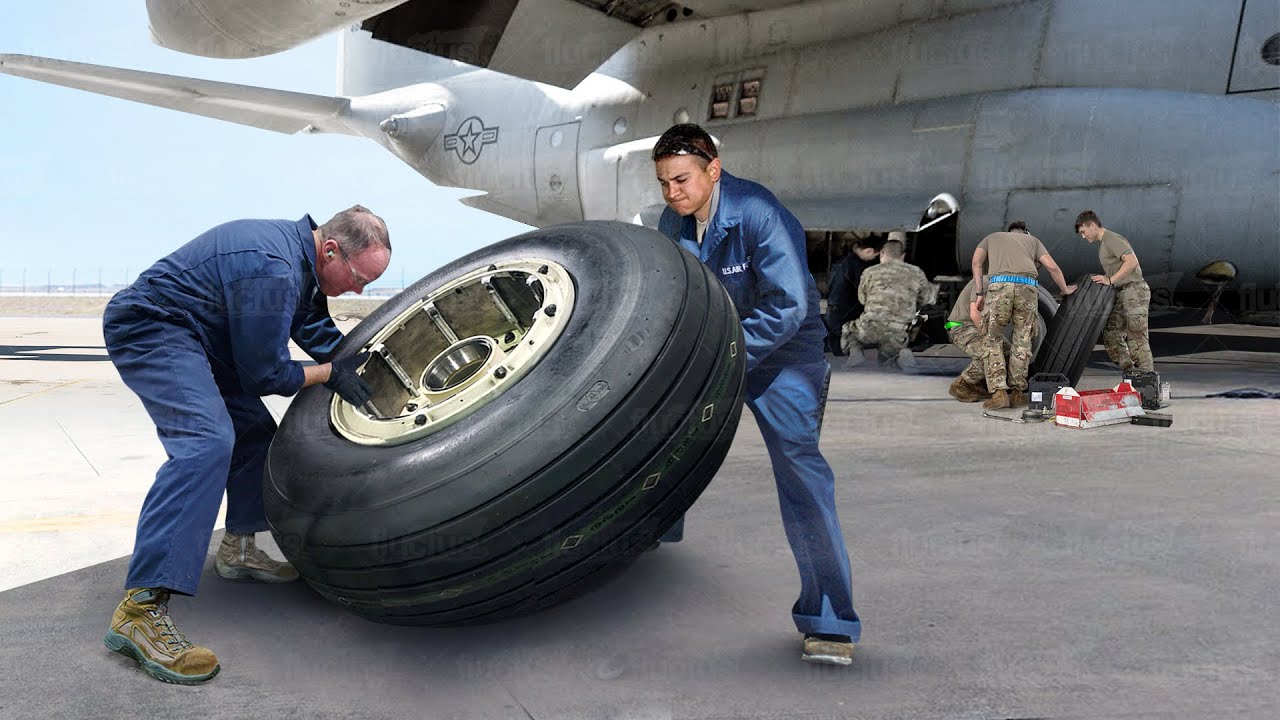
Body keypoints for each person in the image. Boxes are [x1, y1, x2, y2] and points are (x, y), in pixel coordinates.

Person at [101, 206, 391, 684]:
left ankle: (238, 547)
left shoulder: (301, 262)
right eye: (359, 278)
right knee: (206, 443)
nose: (359, 291)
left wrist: (364, 370)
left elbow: (314, 329)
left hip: (205, 337)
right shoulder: (273, 267)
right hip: (153, 326)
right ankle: (140, 610)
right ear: (332, 249)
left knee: (254, 434)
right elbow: (266, 374)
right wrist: (328, 375)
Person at [651, 124, 861, 666]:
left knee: (800, 475)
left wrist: (726, 349)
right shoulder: (671, 221)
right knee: (656, 436)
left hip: (785, 356)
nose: (673, 194)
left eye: (682, 180)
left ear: (713, 169)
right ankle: (643, 540)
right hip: (720, 347)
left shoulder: (756, 212)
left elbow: (791, 305)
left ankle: (830, 621)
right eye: (664, 184)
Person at [972, 221, 1075, 409]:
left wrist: (979, 294)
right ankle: (1018, 393)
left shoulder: (992, 237)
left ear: (1009, 232)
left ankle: (999, 394)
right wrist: (1065, 289)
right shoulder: (1033, 241)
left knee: (992, 339)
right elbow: (1052, 267)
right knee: (1023, 339)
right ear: (1025, 233)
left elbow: (977, 263)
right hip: (1027, 288)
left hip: (1000, 286)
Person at [1075, 210, 1153, 371]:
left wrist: (1110, 280)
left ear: (1092, 225)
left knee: (1136, 335)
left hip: (1134, 290)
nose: (1083, 236)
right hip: (1121, 292)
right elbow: (1119, 267)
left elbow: (1131, 262)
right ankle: (1130, 371)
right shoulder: (1104, 244)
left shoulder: (1112, 239)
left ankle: (1147, 376)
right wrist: (1106, 278)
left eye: (1083, 232)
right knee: (1112, 333)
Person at [841, 238, 935, 370]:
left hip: (870, 326)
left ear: (882, 253)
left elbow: (862, 299)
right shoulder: (916, 272)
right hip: (898, 330)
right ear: (903, 255)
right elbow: (926, 299)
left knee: (848, 330)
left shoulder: (870, 272)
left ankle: (855, 355)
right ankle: (901, 355)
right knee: (886, 361)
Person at [944, 278, 1003, 402]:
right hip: (959, 326)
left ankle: (976, 384)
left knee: (1007, 351)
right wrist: (990, 338)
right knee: (991, 351)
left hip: (974, 327)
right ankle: (961, 384)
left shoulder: (1000, 282)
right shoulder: (985, 280)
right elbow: (974, 313)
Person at [823, 235, 880, 356]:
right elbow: (862, 289)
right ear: (868, 251)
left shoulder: (841, 261)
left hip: (834, 306)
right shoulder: (857, 266)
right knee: (847, 340)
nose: (874, 258)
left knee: (834, 343)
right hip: (847, 309)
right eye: (875, 255)